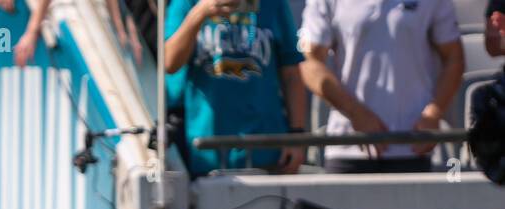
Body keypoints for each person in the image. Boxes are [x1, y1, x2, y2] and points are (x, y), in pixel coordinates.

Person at [300, 0, 464, 172]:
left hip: (413, 145)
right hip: (348, 146)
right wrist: (356, 113)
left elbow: (454, 58)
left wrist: (433, 114)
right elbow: (309, 63)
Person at [164, 0, 308, 175]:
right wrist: (199, 13)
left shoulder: (274, 4)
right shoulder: (186, 3)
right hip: (207, 151)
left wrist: (296, 136)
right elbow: (169, 62)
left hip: (267, 151)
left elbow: (291, 73)